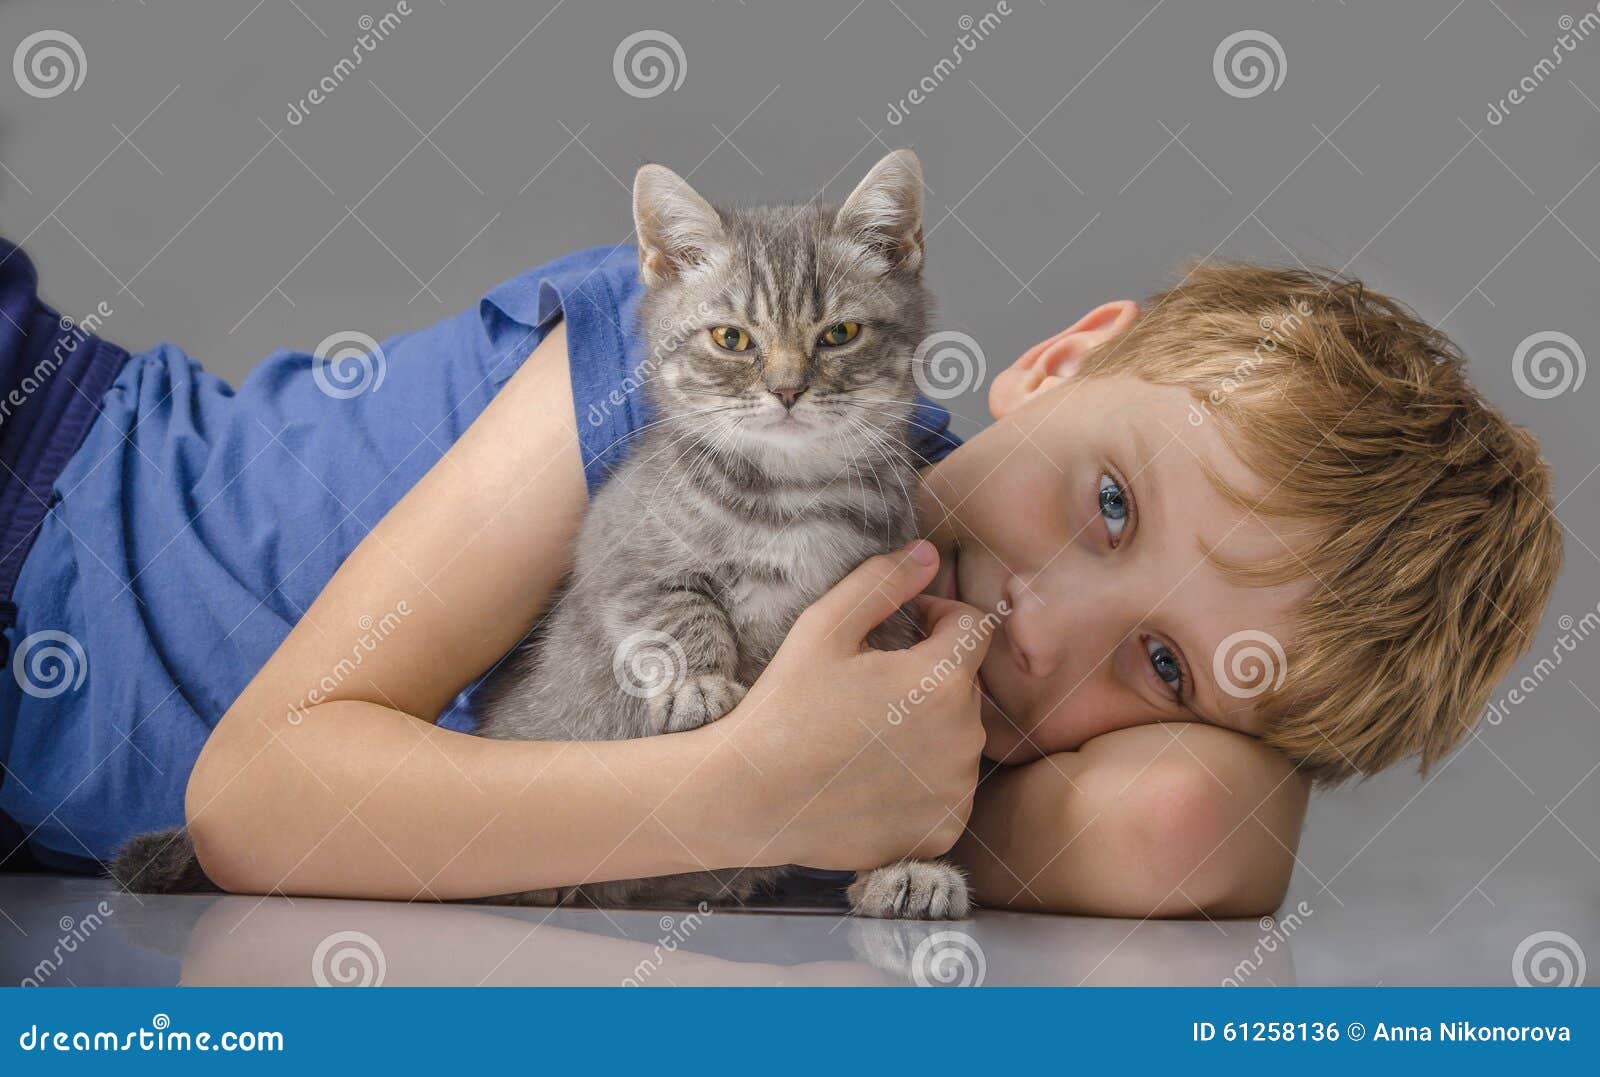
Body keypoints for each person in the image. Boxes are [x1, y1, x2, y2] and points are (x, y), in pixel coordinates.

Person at [0, 236, 1559, 917]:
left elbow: (1181, 829)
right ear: (1060, 358)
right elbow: (258, 801)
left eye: (1163, 672)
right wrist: (745, 788)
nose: (1044, 634)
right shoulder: (726, 400)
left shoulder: (906, 757)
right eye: (1105, 501)